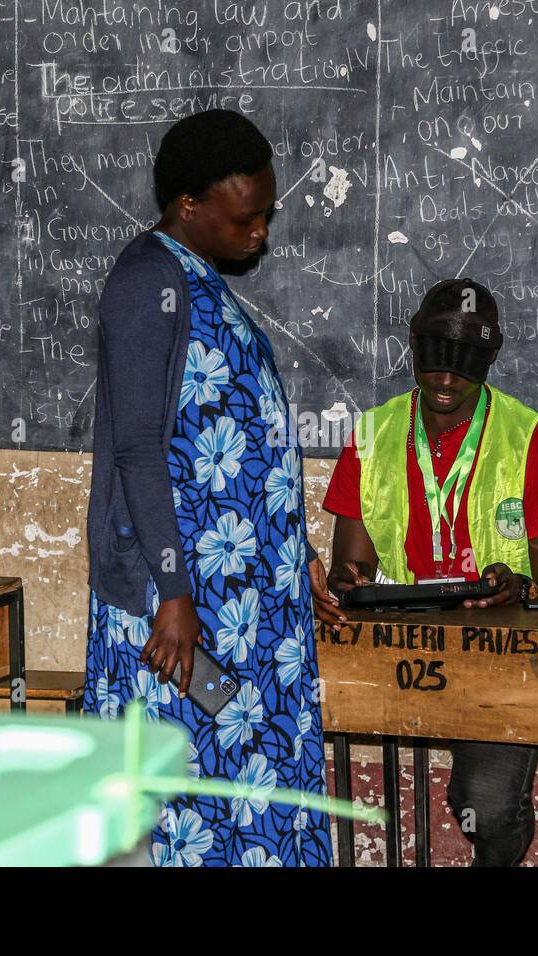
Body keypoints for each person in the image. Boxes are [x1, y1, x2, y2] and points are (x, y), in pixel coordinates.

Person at [85, 109, 342, 867]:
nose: (259, 233)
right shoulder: (148, 281)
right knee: (192, 795)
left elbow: (237, 439)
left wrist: (295, 552)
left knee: (248, 779)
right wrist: (172, 592)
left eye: (265, 215)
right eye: (244, 218)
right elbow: (138, 448)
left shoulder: (200, 281)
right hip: (187, 604)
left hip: (243, 599)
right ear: (189, 205)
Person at [322, 278, 538, 866]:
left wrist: (519, 585)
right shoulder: (372, 434)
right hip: (399, 642)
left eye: (462, 366)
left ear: (490, 360)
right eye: (434, 362)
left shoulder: (533, 440)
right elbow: (351, 563)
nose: (445, 380)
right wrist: (351, 579)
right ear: (412, 345)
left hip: (498, 650)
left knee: (484, 805)